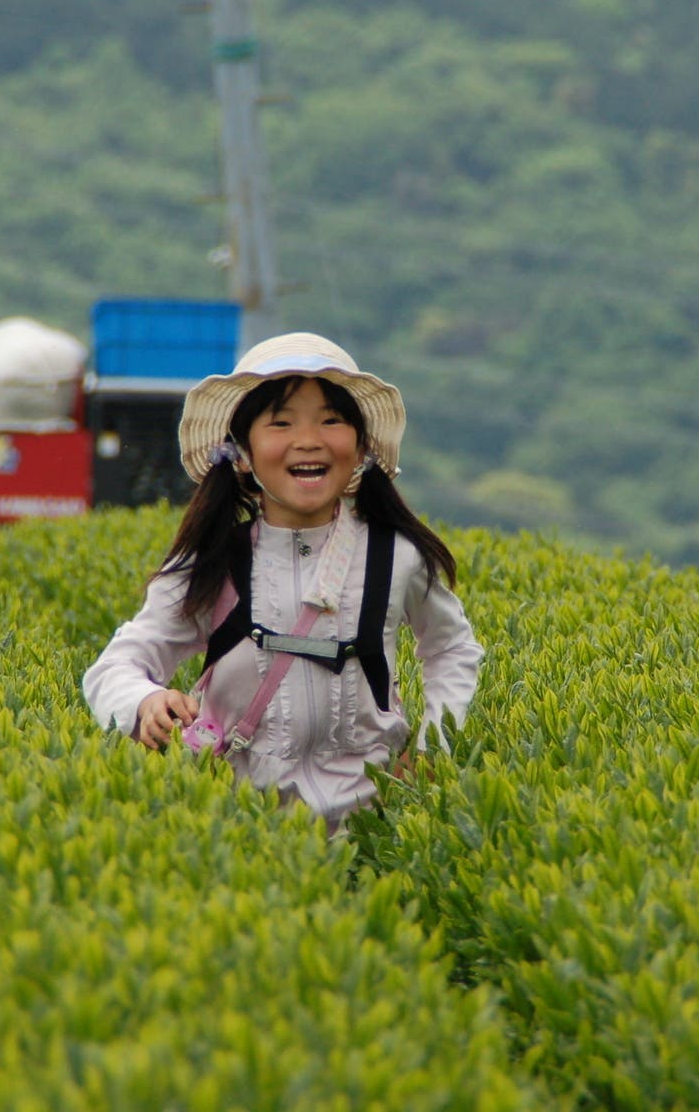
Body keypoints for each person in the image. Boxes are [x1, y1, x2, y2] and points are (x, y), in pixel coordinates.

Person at [82, 332, 483, 827]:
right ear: (243, 455)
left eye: (331, 421)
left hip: (374, 824)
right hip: (238, 822)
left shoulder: (395, 557)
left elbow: (451, 649)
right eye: (281, 422)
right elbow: (115, 666)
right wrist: (145, 702)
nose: (309, 439)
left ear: (359, 449)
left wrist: (433, 748)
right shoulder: (211, 562)